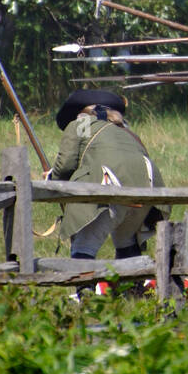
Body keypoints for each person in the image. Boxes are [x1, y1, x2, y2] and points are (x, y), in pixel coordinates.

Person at [47, 89, 166, 294]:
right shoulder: (126, 131)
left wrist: (50, 178)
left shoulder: (82, 124)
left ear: (81, 113)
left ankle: (85, 299)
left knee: (84, 246)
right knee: (126, 241)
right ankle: (133, 296)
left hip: (110, 183)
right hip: (148, 189)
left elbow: (66, 165)